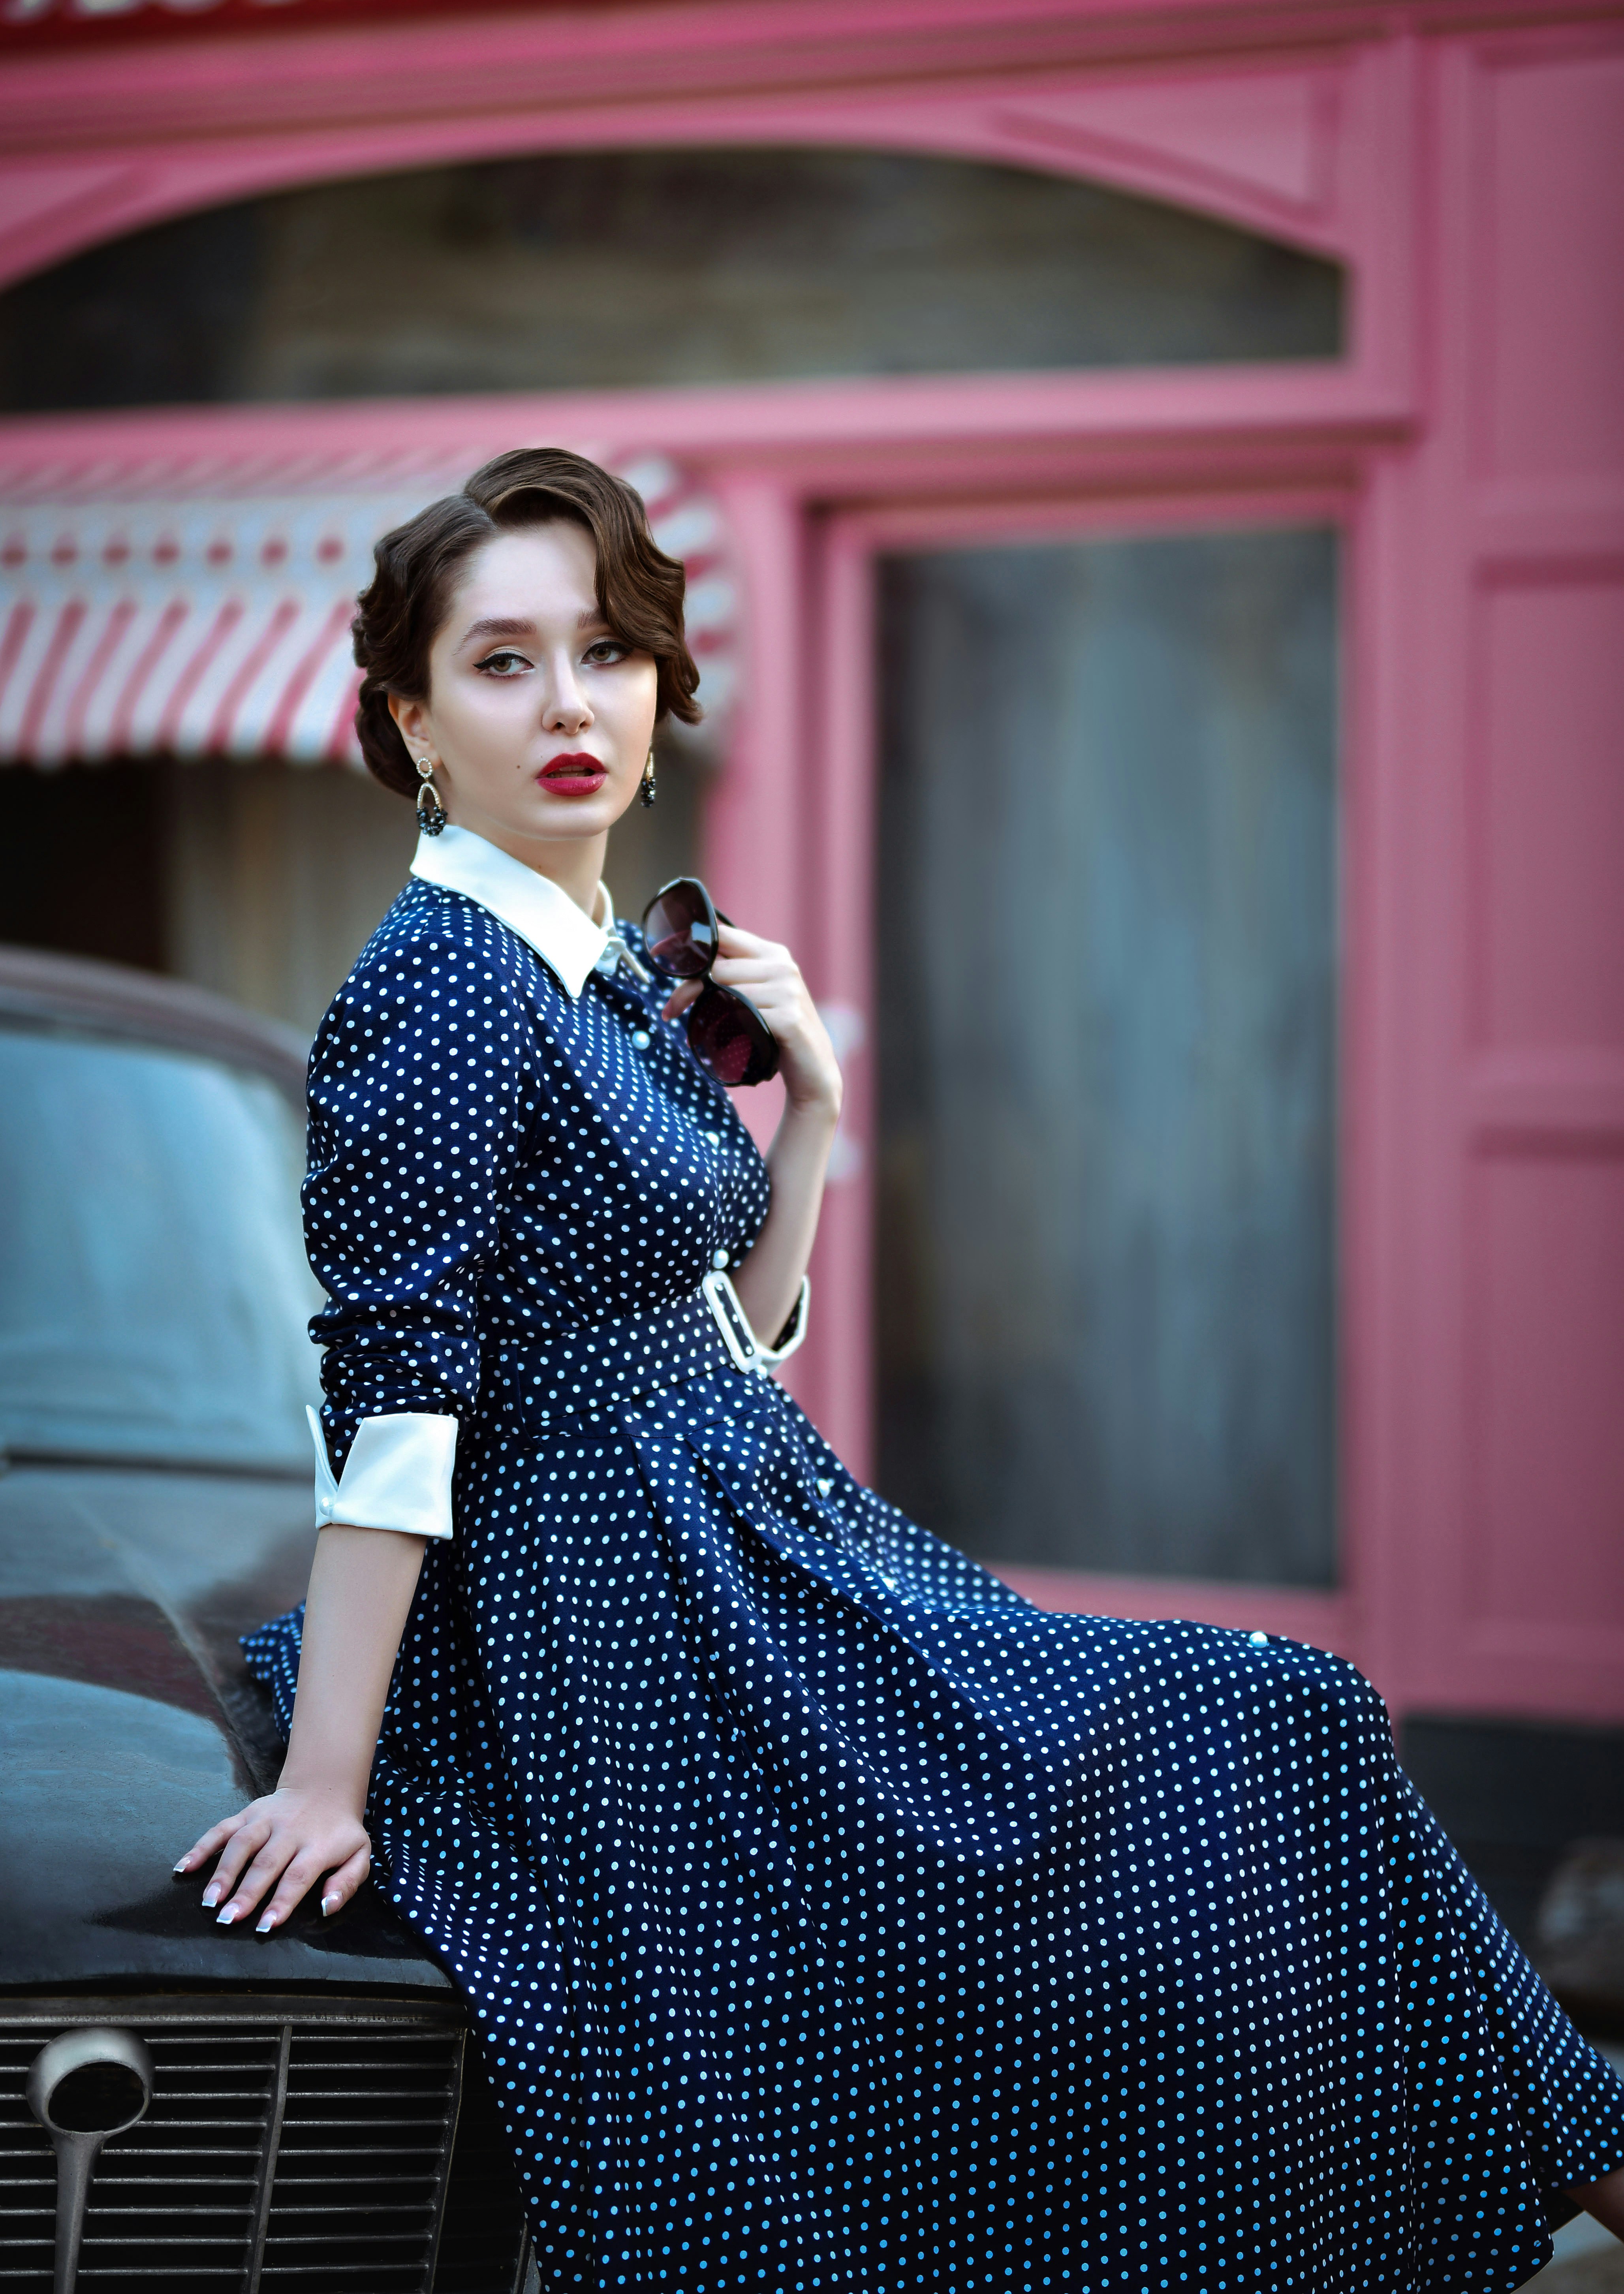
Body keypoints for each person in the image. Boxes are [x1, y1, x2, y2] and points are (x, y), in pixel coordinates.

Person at [178, 448, 1624, 2290]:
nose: (571, 706)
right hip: (627, 1615)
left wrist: (815, 1120)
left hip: (761, 1534)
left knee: (1275, 1753)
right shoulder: (441, 982)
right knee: (1270, 1725)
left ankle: (1545, 2166)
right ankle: (1574, 2164)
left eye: (609, 655)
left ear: (660, 690)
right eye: (504, 661)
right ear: (411, 718)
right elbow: (392, 1394)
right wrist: (329, 1780)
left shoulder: (590, 963)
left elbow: (721, 1323)